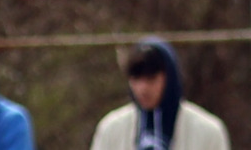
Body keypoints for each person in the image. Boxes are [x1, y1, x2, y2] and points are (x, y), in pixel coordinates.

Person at [88, 38, 230, 150]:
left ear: (169, 78)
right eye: (136, 79)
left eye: (151, 79)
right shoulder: (111, 129)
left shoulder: (208, 131)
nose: (143, 88)